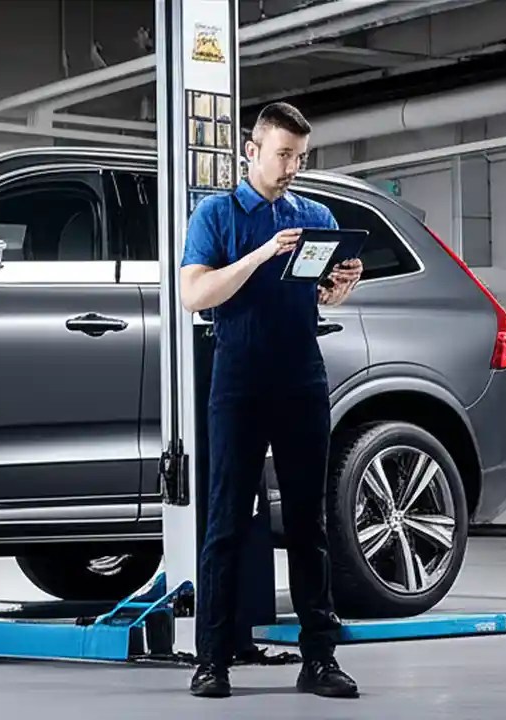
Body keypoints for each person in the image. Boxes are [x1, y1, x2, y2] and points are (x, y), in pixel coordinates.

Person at [179, 101, 363, 699]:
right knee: (226, 519)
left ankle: (320, 659)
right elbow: (195, 295)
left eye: (300, 157)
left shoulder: (314, 213)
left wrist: (339, 286)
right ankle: (212, 660)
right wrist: (261, 254)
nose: (291, 167)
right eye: (282, 155)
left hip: (301, 374)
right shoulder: (217, 213)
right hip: (238, 375)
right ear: (250, 151)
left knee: (310, 520)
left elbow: (323, 299)